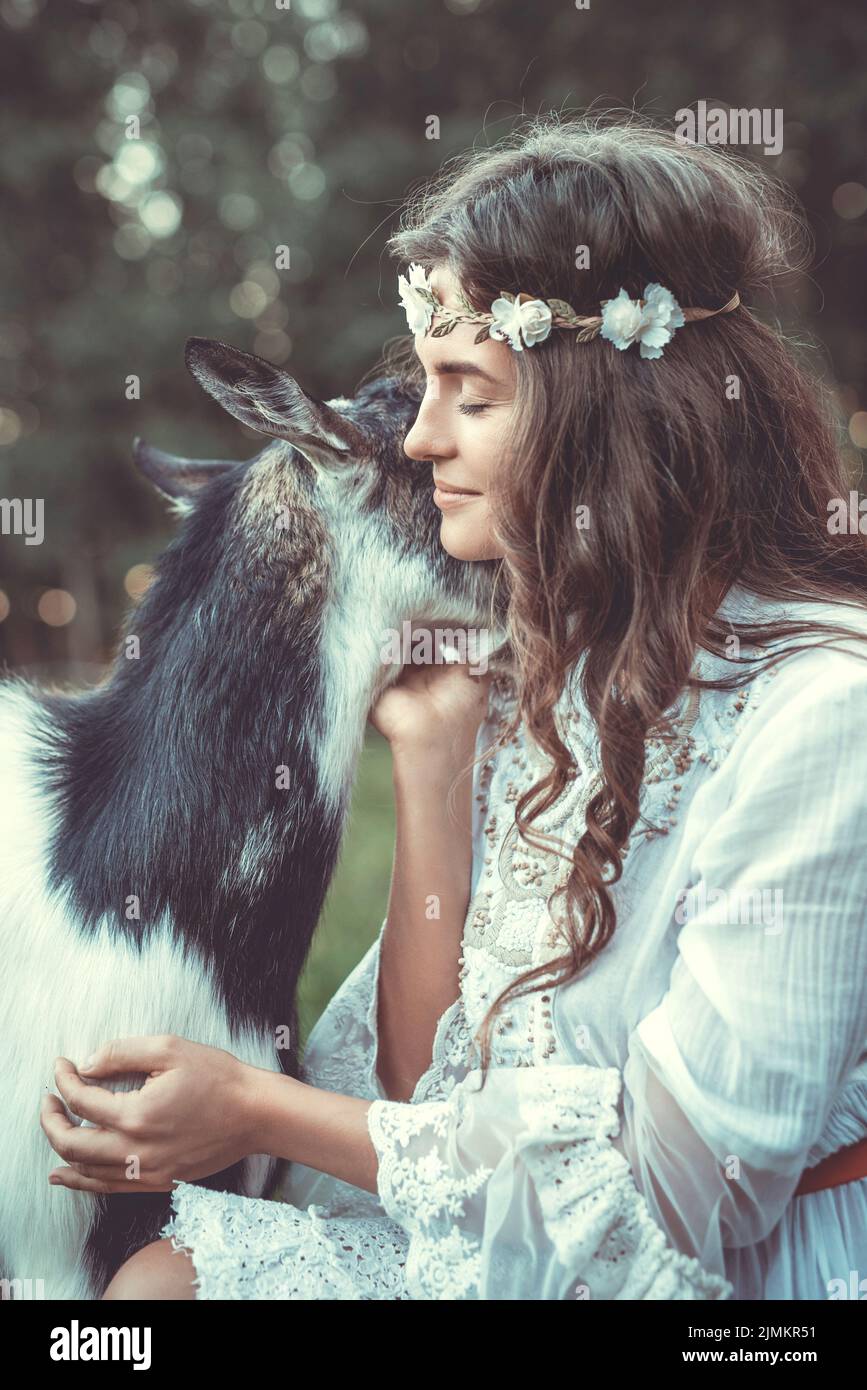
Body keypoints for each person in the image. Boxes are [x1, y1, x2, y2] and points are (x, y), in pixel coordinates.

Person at [42, 114, 867, 1301]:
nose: (418, 437)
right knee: (152, 1293)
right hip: (529, 1239)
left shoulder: (821, 717)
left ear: (602, 414)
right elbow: (428, 1090)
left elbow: (671, 1200)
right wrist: (433, 766)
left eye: (466, 392)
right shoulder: (563, 673)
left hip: (711, 1287)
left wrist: (256, 1109)